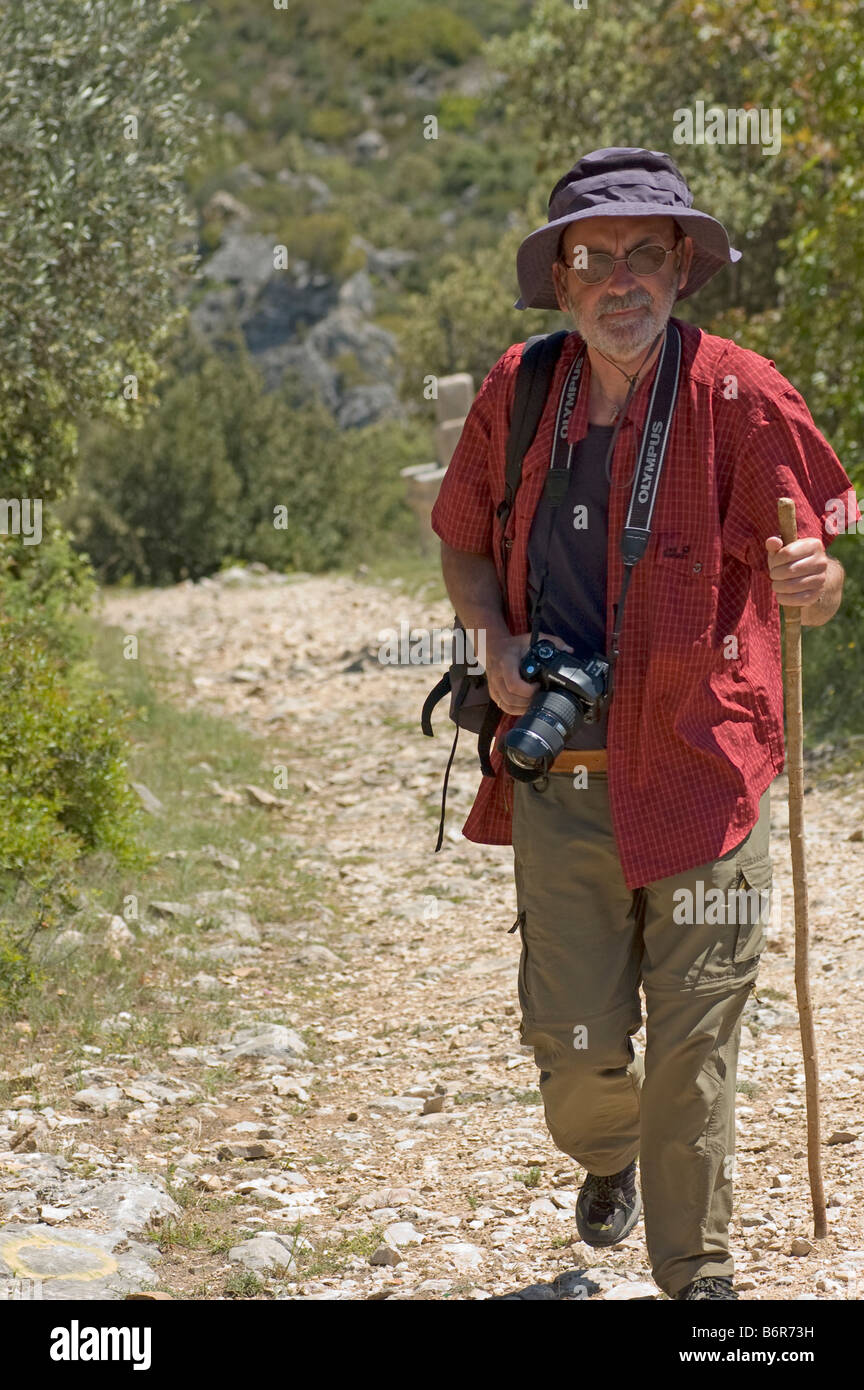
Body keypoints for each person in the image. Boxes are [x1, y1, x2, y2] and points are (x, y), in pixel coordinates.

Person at [430, 147, 858, 1301]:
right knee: (572, 1047)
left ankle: (699, 1280)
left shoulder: (742, 393)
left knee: (696, 1041)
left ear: (682, 266)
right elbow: (462, 537)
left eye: (646, 253)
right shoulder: (519, 390)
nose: (623, 279)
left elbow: (821, 535)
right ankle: (607, 1157)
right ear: (562, 281)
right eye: (595, 257)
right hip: (560, 770)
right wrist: (495, 641)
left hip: (705, 769)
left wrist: (816, 579)